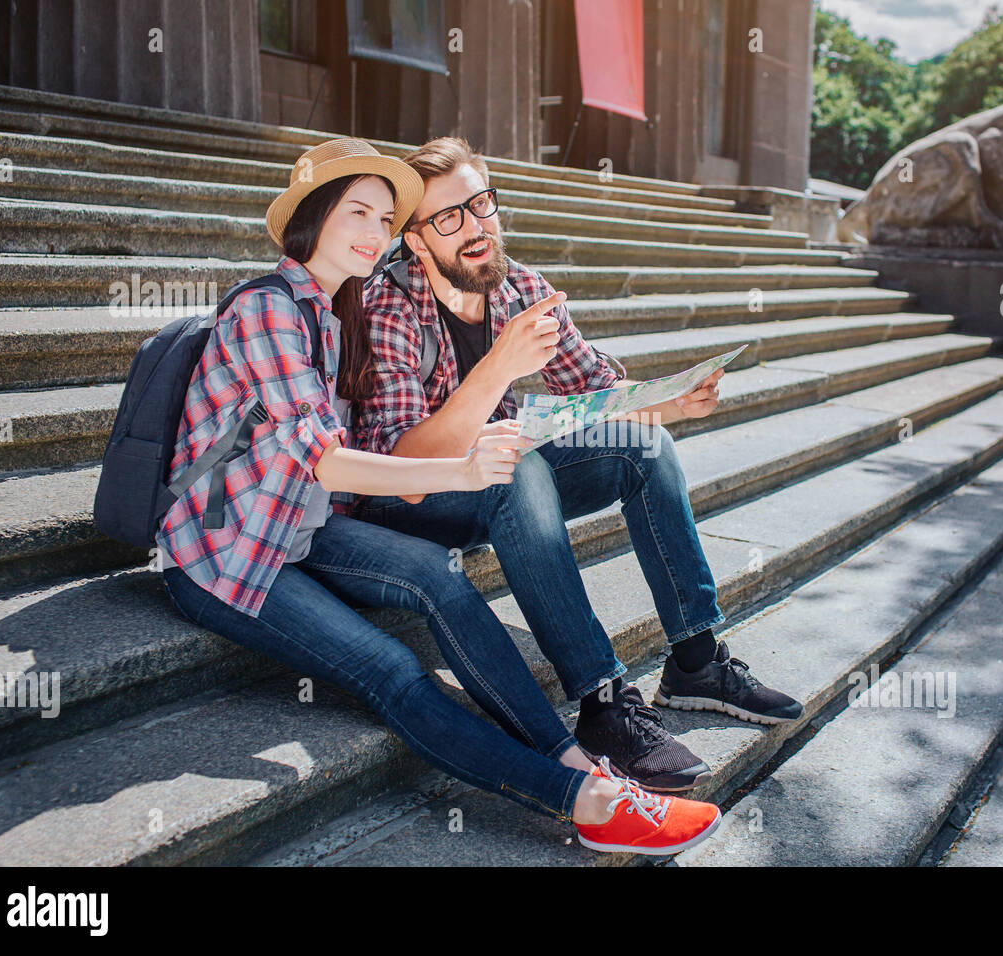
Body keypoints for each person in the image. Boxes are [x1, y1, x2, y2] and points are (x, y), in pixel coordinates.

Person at [154, 137, 722, 855]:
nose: (373, 233)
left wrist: (667, 405)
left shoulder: (327, 312)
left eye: (382, 218)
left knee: (438, 576)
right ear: (311, 221)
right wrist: (461, 469)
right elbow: (331, 462)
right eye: (357, 214)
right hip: (228, 555)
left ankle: (589, 759)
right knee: (393, 670)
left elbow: (588, 389)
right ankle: (582, 796)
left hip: (304, 526)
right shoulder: (272, 310)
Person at [352, 137, 803, 793]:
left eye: (481, 204)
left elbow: (598, 397)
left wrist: (672, 404)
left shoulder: (524, 291)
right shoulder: (387, 304)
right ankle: (601, 704)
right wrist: (497, 369)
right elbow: (400, 456)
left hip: (498, 488)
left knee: (643, 449)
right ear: (417, 241)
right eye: (449, 217)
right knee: (516, 459)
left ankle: (697, 663)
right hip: (409, 503)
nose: (476, 227)